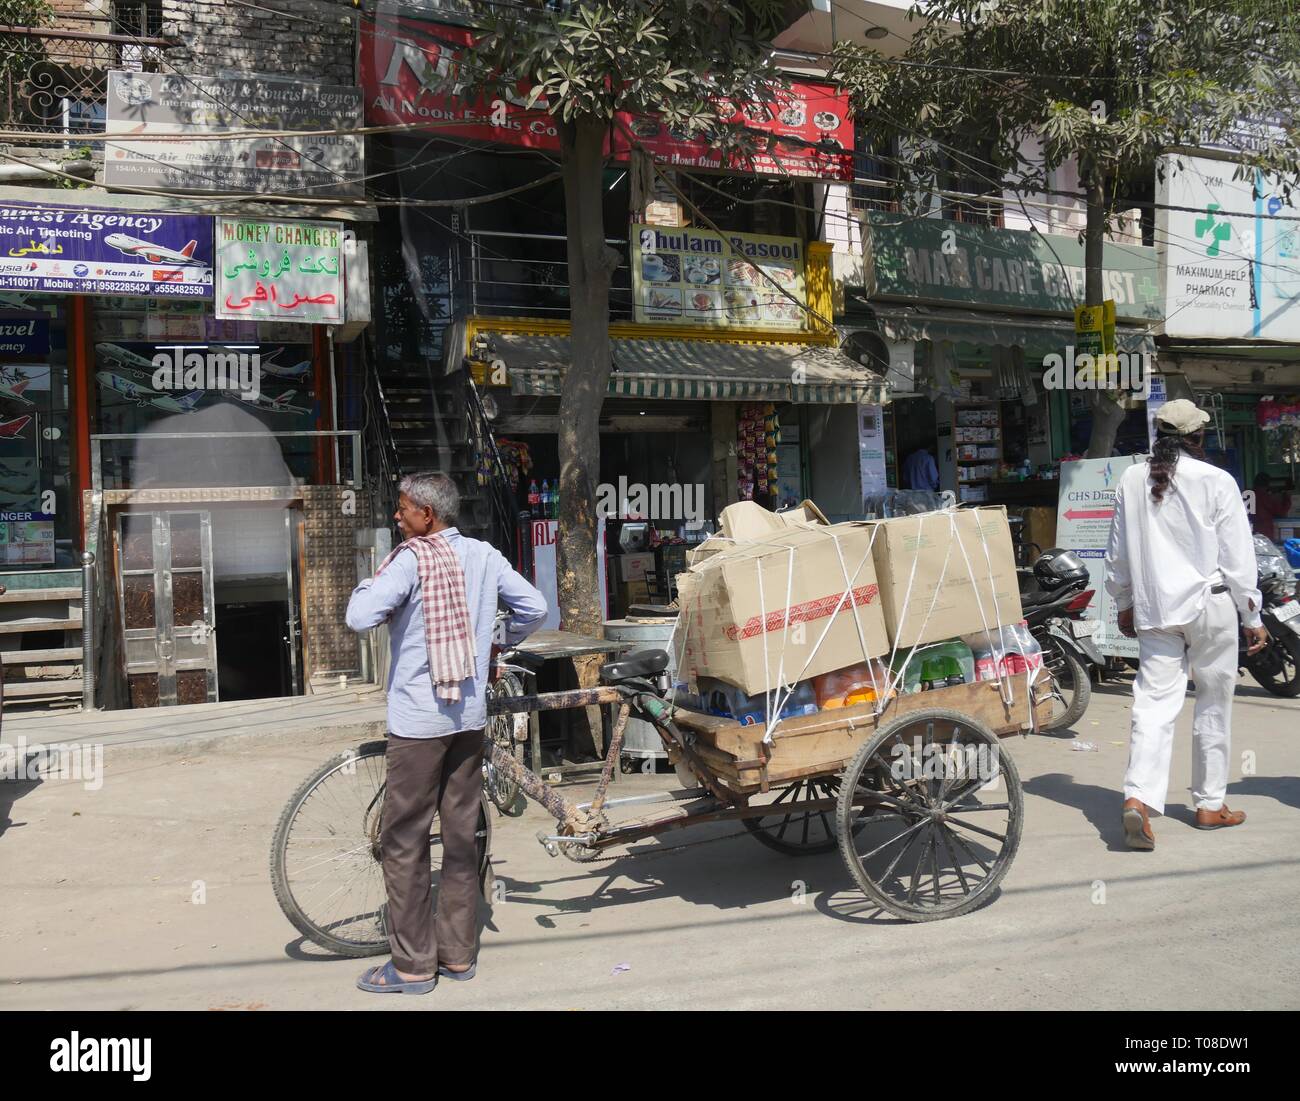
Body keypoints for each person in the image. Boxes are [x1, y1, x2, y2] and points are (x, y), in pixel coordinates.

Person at [346, 472, 546, 993]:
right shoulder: (483, 555)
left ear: (427, 516)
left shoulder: (411, 560)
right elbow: (535, 608)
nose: (397, 516)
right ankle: (457, 955)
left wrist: (374, 578)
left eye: (403, 509)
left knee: (405, 839)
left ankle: (412, 966)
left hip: (418, 723)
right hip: (468, 720)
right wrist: (493, 645)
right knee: (460, 834)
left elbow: (359, 615)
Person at [1104, 399, 1268, 851]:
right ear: (1199, 438)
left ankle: (1138, 797)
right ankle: (1210, 804)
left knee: (1153, 707)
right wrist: (1251, 615)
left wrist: (1122, 603)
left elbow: (1116, 554)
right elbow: (1238, 557)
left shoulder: (1132, 478)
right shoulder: (1217, 480)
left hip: (1155, 610)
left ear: (1159, 435)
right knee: (1213, 704)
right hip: (1210, 609)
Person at [1251, 471, 1292, 543]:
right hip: (1264, 532)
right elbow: (1281, 512)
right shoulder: (1266, 497)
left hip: (1251, 530)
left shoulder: (1248, 495)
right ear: (1267, 484)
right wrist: (1287, 498)